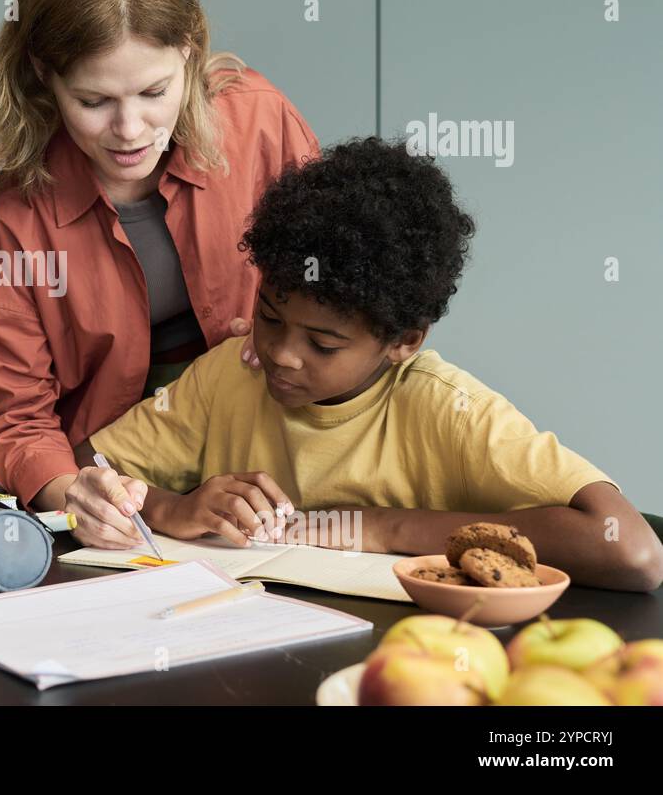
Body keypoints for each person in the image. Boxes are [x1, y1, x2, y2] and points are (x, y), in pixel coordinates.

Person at [78, 137, 663, 592]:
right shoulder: (230, 372)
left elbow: (632, 551)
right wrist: (171, 509)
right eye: (271, 315)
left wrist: (385, 528)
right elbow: (89, 467)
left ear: (403, 340)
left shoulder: (446, 410)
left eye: (324, 345)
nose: (282, 353)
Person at [0, 0, 318, 545]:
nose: (130, 129)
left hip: (277, 455)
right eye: (94, 101)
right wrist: (75, 493)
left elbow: (344, 288)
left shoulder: (260, 122)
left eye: (155, 92)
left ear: (189, 50)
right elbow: (15, 420)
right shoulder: (17, 215)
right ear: (47, 76)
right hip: (117, 487)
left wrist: (284, 333)